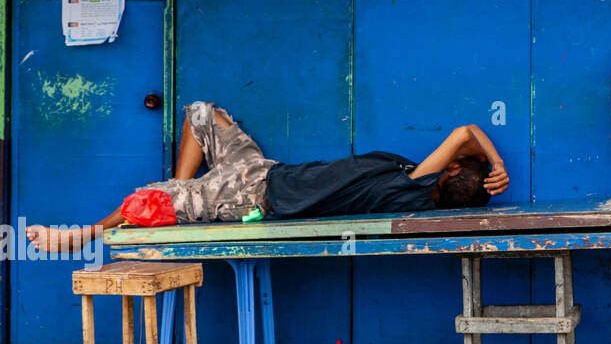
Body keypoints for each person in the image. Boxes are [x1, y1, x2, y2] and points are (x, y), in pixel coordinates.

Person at [26, 101, 508, 253]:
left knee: (149, 200)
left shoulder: (415, 183)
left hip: (256, 194)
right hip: (265, 171)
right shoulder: (423, 191)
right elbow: (464, 144)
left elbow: (465, 131)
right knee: (202, 114)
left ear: (446, 170)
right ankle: (187, 192)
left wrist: (497, 164)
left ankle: (82, 235)